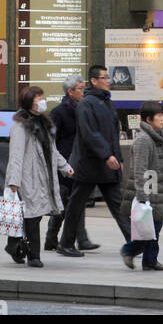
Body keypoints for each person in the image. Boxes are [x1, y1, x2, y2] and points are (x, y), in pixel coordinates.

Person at [57, 65, 131, 257]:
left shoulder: (107, 102)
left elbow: (113, 134)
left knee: (118, 204)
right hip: (88, 165)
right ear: (94, 81)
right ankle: (65, 243)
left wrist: (118, 157)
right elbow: (90, 134)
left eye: (108, 77)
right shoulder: (86, 104)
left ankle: (135, 242)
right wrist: (107, 155)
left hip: (106, 166)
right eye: (104, 78)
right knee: (75, 205)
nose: (108, 81)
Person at [6, 85, 73, 267]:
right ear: (30, 102)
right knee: (32, 216)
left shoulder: (44, 122)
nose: (41, 101)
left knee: (37, 214)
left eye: (42, 96)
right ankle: (33, 255)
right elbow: (16, 154)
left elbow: (52, 150)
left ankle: (13, 244)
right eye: (38, 98)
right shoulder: (21, 125)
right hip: (30, 177)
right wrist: (14, 180)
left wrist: (65, 167)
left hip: (46, 177)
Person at [46, 74, 97, 251]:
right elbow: (51, 140)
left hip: (79, 161)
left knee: (77, 201)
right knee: (66, 204)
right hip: (65, 162)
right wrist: (59, 163)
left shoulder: (83, 109)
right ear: (70, 92)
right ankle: (52, 237)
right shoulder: (59, 112)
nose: (84, 91)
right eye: (80, 89)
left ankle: (80, 239)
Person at [120, 100, 163, 270]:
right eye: (158, 116)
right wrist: (143, 195)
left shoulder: (157, 137)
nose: (162, 118)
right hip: (148, 190)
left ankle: (150, 260)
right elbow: (139, 169)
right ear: (149, 120)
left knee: (155, 227)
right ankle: (129, 250)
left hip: (156, 188)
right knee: (151, 228)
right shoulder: (144, 140)